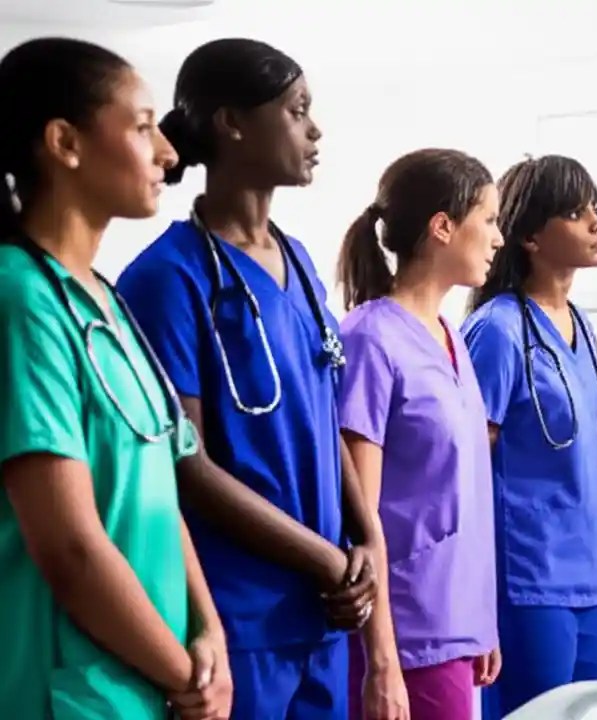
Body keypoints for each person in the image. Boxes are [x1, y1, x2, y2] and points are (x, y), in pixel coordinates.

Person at [116, 38, 380, 719]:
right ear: (233, 122)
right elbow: (187, 465)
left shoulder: (298, 261)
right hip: (241, 620)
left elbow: (323, 416)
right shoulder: (167, 279)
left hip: (325, 613)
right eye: (296, 110)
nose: (314, 129)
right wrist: (325, 561)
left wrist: (363, 540)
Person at [0, 37, 231, 718]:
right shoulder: (20, 300)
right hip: (75, 692)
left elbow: (159, 483)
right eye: (141, 125)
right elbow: (69, 545)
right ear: (64, 142)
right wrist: (183, 674)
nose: (167, 151)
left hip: (153, 679)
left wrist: (207, 630)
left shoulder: (104, 300)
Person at [336, 148, 504, 720]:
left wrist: (482, 623)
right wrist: (381, 660)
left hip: (455, 631)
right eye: (489, 219)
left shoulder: (451, 338)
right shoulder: (370, 340)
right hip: (405, 635)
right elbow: (360, 517)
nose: (498, 238)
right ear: (442, 227)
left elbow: (464, 496)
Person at [461, 155, 597, 718]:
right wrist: (473, 597)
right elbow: (467, 470)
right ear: (528, 234)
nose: (596, 223)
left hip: (591, 578)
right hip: (527, 581)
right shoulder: (497, 331)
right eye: (576, 213)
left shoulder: (583, 325)